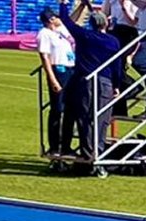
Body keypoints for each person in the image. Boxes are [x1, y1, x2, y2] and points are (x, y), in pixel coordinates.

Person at [57, 3, 119, 165]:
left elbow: (66, 21)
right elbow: (116, 65)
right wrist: (117, 85)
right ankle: (98, 150)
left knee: (85, 117)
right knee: (102, 118)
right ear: (106, 24)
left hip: (85, 81)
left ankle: (88, 152)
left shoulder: (85, 36)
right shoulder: (113, 41)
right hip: (105, 82)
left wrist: (63, 4)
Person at [37, 8, 75, 156]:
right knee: (58, 109)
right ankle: (54, 145)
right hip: (59, 70)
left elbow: (72, 21)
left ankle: (66, 145)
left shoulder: (61, 31)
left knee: (70, 110)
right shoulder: (44, 34)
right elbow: (44, 57)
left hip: (71, 68)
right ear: (51, 20)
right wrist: (52, 79)